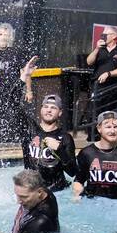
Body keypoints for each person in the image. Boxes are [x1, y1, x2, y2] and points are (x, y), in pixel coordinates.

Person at [19, 60, 77, 192]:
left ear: (60, 112)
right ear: (41, 110)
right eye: (46, 106)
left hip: (58, 192)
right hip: (32, 190)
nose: (49, 110)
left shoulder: (65, 138)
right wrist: (24, 77)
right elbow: (12, 105)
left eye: (53, 108)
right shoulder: (29, 129)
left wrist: (59, 149)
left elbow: (73, 172)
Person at [73, 110, 117, 200]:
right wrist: (76, 195)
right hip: (91, 201)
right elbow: (78, 180)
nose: (112, 131)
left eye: (116, 127)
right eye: (108, 127)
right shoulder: (86, 153)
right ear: (99, 129)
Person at [84, 28, 117, 135]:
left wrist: (108, 74)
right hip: (97, 85)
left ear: (114, 36)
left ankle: (108, 134)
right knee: (93, 110)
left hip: (113, 87)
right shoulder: (100, 49)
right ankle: (92, 135)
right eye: (102, 34)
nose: (103, 36)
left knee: (109, 112)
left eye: (105, 34)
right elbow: (89, 62)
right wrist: (96, 49)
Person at [7, 168, 59, 233]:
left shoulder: (39, 223)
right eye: (17, 195)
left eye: (24, 197)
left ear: (40, 192)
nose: (18, 201)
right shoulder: (44, 192)